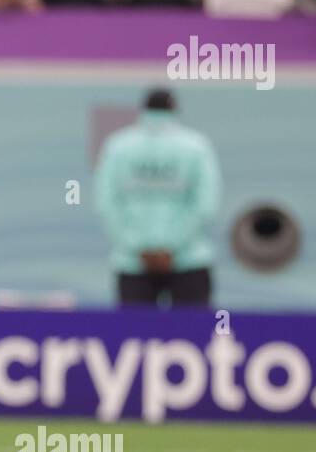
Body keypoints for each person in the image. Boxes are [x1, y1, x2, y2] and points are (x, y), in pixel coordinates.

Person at [94, 89, 222, 308]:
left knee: (135, 339)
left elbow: (106, 204)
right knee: (193, 338)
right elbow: (205, 205)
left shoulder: (117, 146)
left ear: (144, 110)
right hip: (188, 259)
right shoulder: (196, 146)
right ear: (174, 110)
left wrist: (138, 247)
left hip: (133, 261)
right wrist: (171, 247)